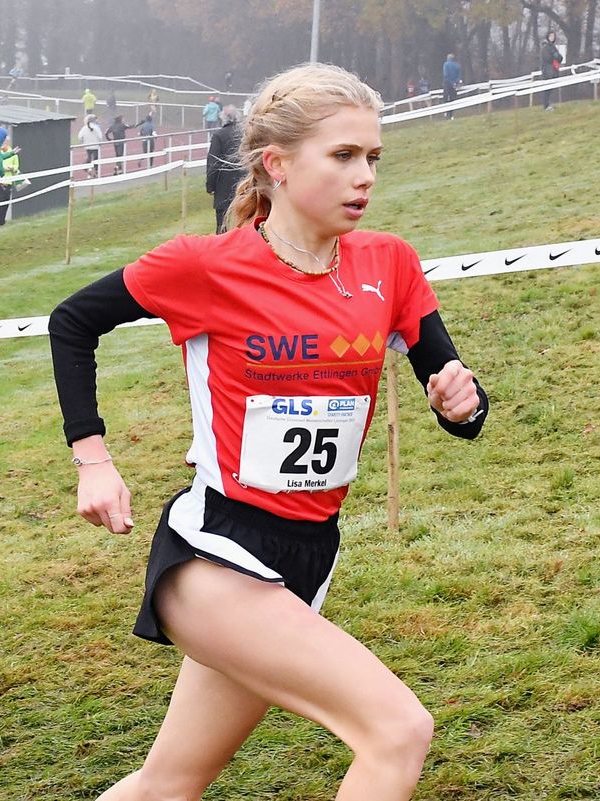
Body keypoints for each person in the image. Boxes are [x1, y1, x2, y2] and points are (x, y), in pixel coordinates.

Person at [47, 61, 488, 801]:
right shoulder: (205, 266)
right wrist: (92, 457)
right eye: (343, 156)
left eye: (372, 158)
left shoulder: (391, 264)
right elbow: (73, 321)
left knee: (166, 785)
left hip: (309, 556)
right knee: (397, 729)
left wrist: (461, 403)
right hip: (216, 553)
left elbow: (459, 396)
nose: (365, 177)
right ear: (277, 165)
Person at [205, 104, 246, 233]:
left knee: (222, 227)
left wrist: (210, 186)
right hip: (246, 186)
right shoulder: (246, 134)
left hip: (224, 189)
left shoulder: (219, 136)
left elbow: (213, 164)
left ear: (223, 118)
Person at [540, 33, 564, 110]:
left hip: (554, 70)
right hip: (548, 71)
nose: (552, 38)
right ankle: (546, 105)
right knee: (547, 89)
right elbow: (547, 58)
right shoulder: (545, 47)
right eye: (551, 36)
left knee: (551, 89)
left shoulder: (553, 47)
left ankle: (549, 104)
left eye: (553, 36)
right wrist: (554, 56)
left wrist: (556, 56)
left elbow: (560, 58)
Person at [442, 53, 461, 120]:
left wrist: (450, 82)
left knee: (445, 97)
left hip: (447, 83)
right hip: (454, 84)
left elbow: (445, 75)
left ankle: (446, 112)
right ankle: (451, 114)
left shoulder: (446, 64)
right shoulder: (457, 65)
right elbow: (458, 76)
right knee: (453, 99)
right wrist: (455, 83)